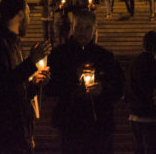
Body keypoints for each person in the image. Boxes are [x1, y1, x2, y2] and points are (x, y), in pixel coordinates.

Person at [0, 0, 51, 153]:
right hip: (4, 132)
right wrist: (31, 62)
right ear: (20, 15)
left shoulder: (12, 43)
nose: (30, 20)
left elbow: (16, 88)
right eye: (28, 14)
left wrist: (35, 84)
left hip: (17, 128)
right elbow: (1, 85)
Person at [46, 9, 125, 154]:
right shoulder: (59, 55)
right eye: (78, 27)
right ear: (72, 28)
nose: (82, 32)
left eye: (87, 27)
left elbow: (120, 87)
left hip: (100, 123)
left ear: (95, 29)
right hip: (71, 122)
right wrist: (72, 77)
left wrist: (103, 89)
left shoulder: (105, 56)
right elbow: (49, 88)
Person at [126, 30, 156, 154]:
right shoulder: (155, 65)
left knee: (139, 149)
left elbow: (128, 87)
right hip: (150, 116)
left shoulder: (134, 62)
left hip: (135, 115)